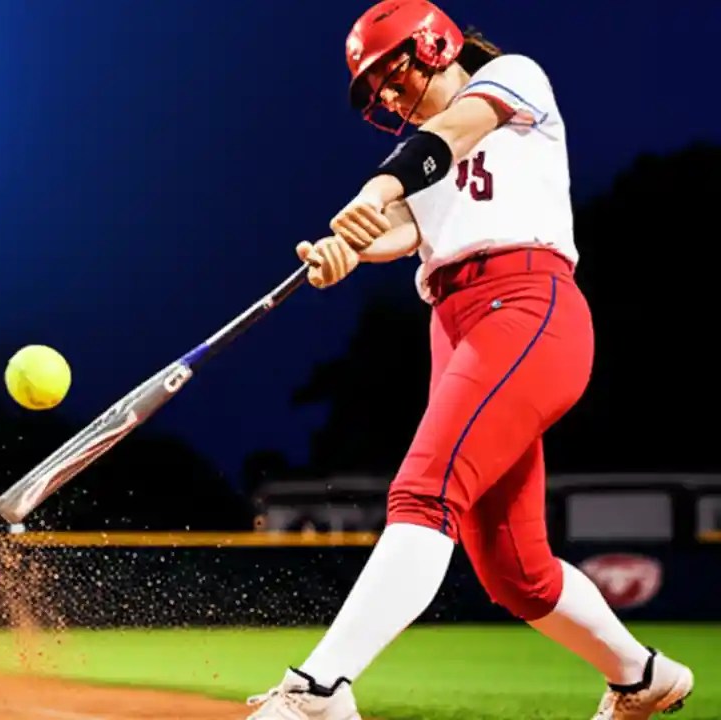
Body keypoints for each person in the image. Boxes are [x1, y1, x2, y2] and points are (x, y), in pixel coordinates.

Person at [244, 2, 694, 719]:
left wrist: (377, 187)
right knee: (516, 573)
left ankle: (318, 690)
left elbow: (449, 138)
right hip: (455, 325)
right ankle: (643, 679)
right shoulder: (419, 156)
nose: (387, 98)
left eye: (389, 76)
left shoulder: (512, 79)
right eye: (374, 93)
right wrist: (345, 251)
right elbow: (399, 228)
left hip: (527, 305)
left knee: (423, 494)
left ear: (432, 44)